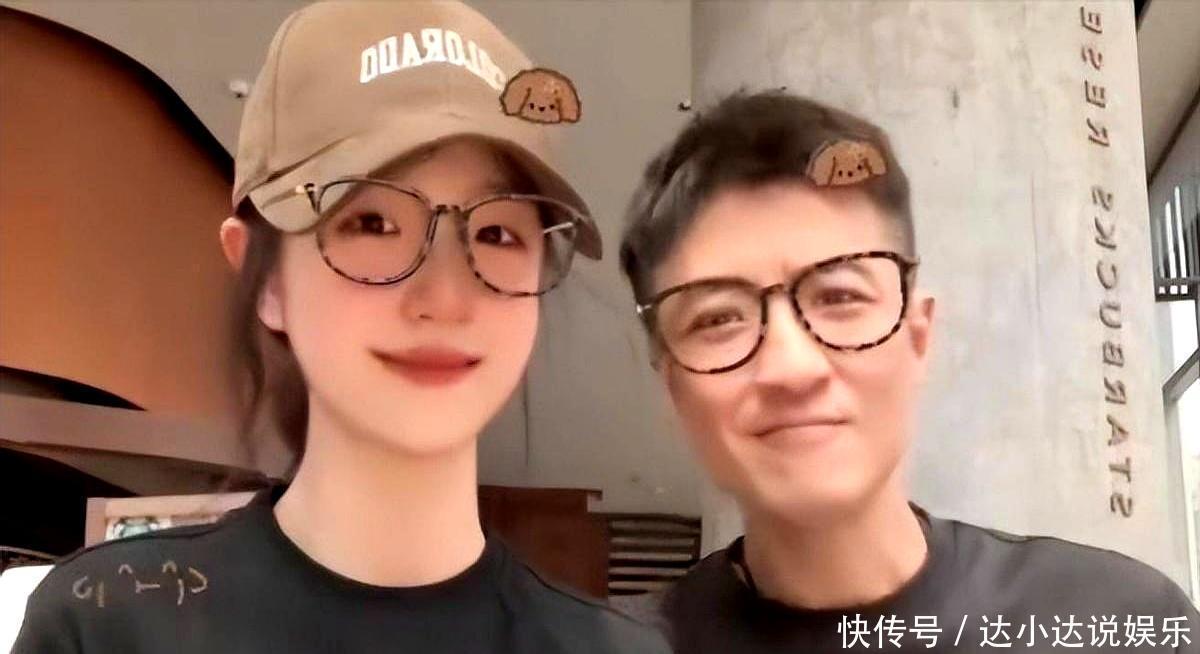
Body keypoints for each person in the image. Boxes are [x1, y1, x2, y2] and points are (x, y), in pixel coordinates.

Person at [13, 2, 668, 652]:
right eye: (372, 223)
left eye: (497, 232)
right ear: (264, 279)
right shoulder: (105, 625)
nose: (444, 298)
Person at [618, 90, 1199, 652]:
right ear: (672, 387)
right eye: (719, 319)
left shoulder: (1121, 622)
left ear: (917, 337)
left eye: (839, 297)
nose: (791, 367)